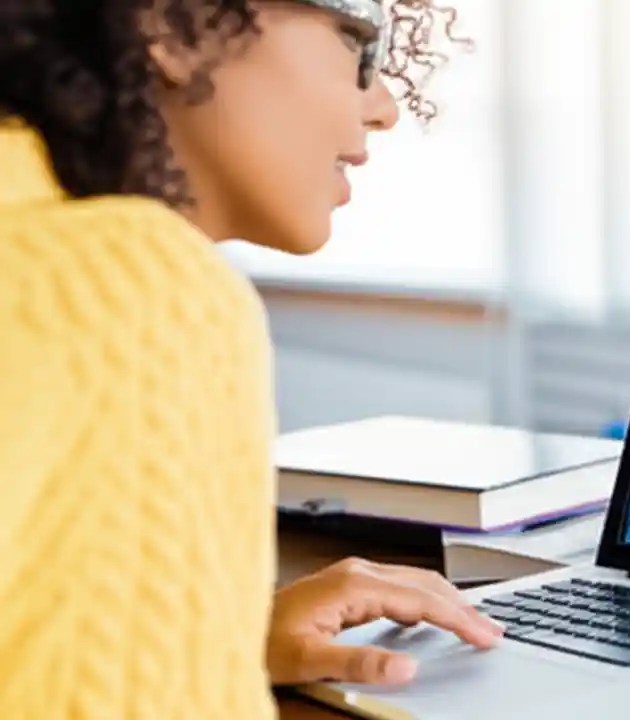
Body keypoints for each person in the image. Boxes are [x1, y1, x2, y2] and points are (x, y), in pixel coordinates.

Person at [0, 1, 502, 717]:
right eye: (358, 44)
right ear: (176, 23)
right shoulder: (122, 285)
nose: (385, 106)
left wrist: (211, 640)